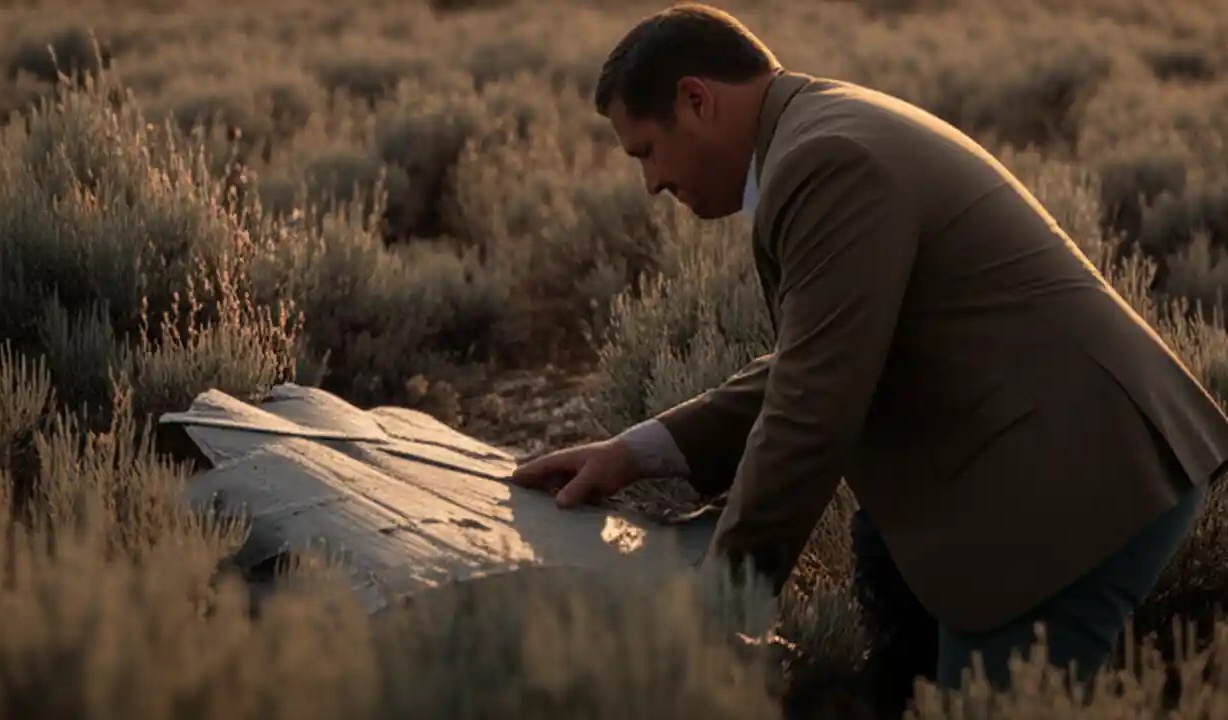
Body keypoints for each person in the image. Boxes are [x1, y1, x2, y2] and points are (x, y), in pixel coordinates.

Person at [507, 1, 1228, 708]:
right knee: (890, 582)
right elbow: (820, 362)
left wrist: (720, 609)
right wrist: (634, 453)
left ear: (697, 101)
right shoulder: (819, 129)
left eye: (647, 152)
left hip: (1075, 485)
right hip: (1052, 456)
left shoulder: (826, 158)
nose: (651, 183)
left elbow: (812, 411)